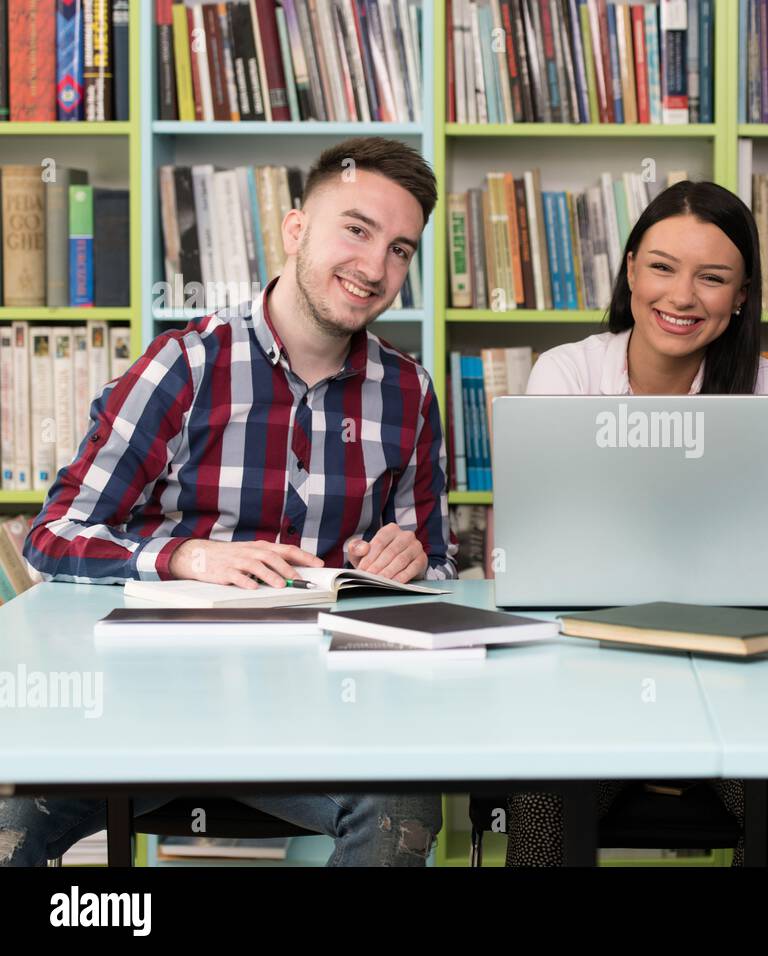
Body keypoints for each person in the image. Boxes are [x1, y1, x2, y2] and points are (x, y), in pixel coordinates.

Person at [2, 137, 451, 867]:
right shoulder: (182, 367)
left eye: (400, 249)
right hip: (142, 713)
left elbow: (437, 560)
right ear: (296, 230)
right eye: (357, 230)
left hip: (325, 718)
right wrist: (187, 556)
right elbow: (54, 535)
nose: (375, 268)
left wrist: (414, 557)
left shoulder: (410, 394)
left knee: (403, 810)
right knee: (8, 826)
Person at [514, 180, 768, 866]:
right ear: (629, 271)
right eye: (661, 267)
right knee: (542, 805)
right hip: (591, 667)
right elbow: (552, 551)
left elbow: (763, 559)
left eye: (712, 278)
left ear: (741, 296)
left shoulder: (760, 384)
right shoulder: (565, 373)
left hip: (730, 670)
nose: (682, 297)